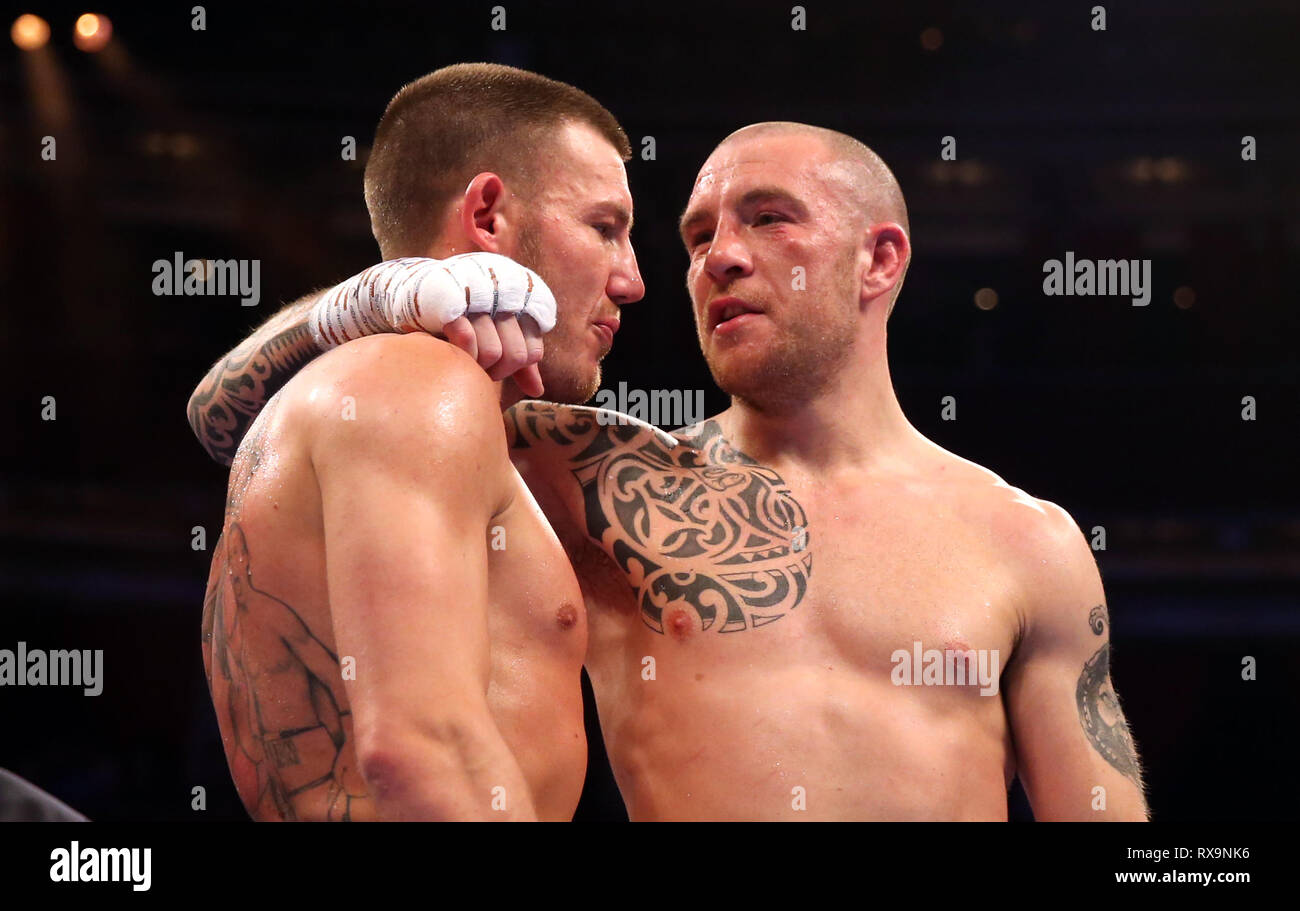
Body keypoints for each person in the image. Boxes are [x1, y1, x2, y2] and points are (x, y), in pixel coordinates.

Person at [193, 121, 1148, 820]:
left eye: (768, 219)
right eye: (696, 238)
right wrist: (374, 298)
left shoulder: (1030, 541)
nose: (718, 257)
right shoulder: (591, 475)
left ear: (878, 260)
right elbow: (230, 416)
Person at [197, 62, 643, 821]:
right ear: (489, 215)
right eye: (605, 228)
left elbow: (211, 411)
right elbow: (416, 751)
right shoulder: (420, 384)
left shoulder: (359, 391)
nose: (630, 278)